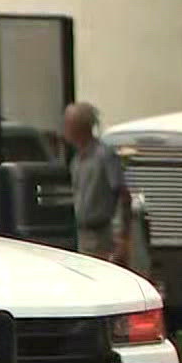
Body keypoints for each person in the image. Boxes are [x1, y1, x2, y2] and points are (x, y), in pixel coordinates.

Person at [66, 102, 131, 263]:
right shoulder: (76, 160)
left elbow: (122, 195)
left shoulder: (104, 156)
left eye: (68, 124)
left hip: (103, 234)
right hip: (83, 233)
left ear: (80, 127)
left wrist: (122, 238)